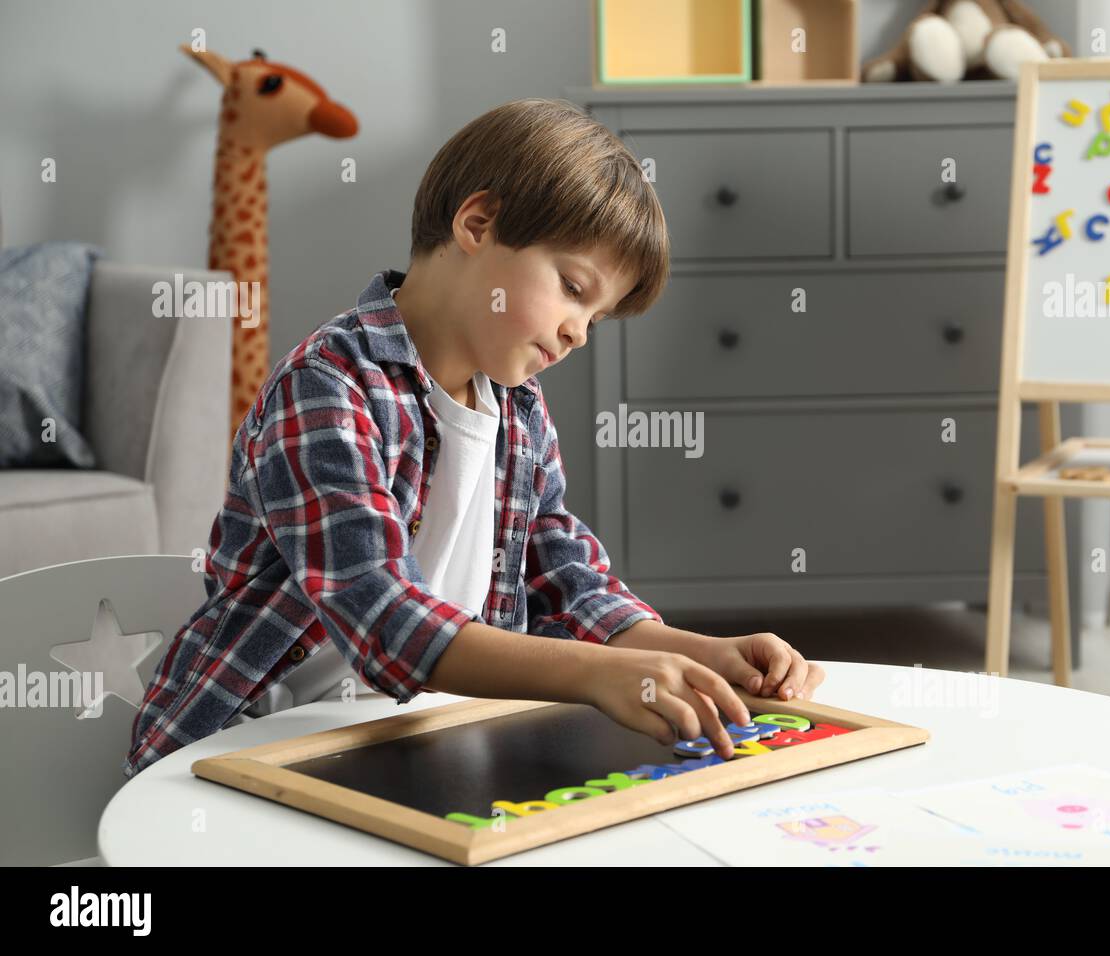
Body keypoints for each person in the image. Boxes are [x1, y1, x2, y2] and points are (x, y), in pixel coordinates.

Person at [123, 98, 824, 780]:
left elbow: (564, 580)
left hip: (417, 740)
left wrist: (700, 654)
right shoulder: (326, 387)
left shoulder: (516, 408)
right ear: (478, 223)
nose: (581, 330)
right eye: (575, 289)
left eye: (599, 316)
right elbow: (382, 616)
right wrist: (600, 675)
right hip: (246, 750)